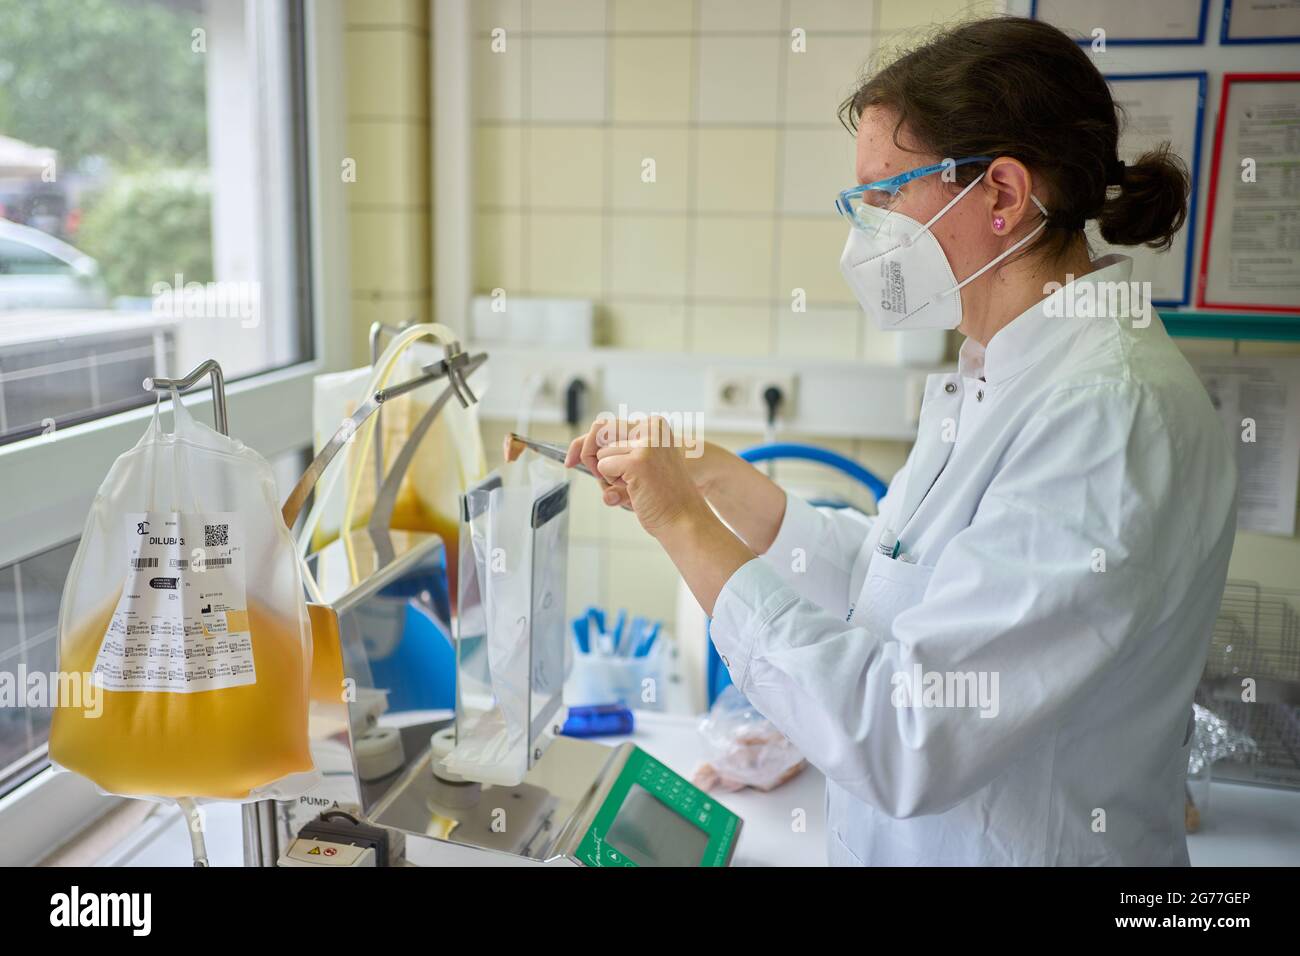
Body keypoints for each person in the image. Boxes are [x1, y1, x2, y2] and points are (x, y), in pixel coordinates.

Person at [532, 17, 1238, 865]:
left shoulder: (1107, 415)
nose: (865, 231)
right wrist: (721, 484)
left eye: (886, 195)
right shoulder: (1000, 370)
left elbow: (910, 733)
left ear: (1003, 196)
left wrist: (682, 524)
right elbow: (894, 581)